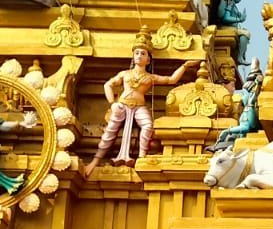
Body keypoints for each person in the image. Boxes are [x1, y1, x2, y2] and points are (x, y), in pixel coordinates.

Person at [83, 30, 195, 174]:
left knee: (148, 126)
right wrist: (112, 102)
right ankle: (95, 161)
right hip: (121, 105)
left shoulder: (150, 77)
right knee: (109, 132)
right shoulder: (125, 74)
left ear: (148, 59)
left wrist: (185, 66)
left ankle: (141, 157)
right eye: (137, 53)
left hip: (139, 107)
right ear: (133, 56)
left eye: (143, 54)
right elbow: (108, 85)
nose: (139, 56)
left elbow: (171, 79)